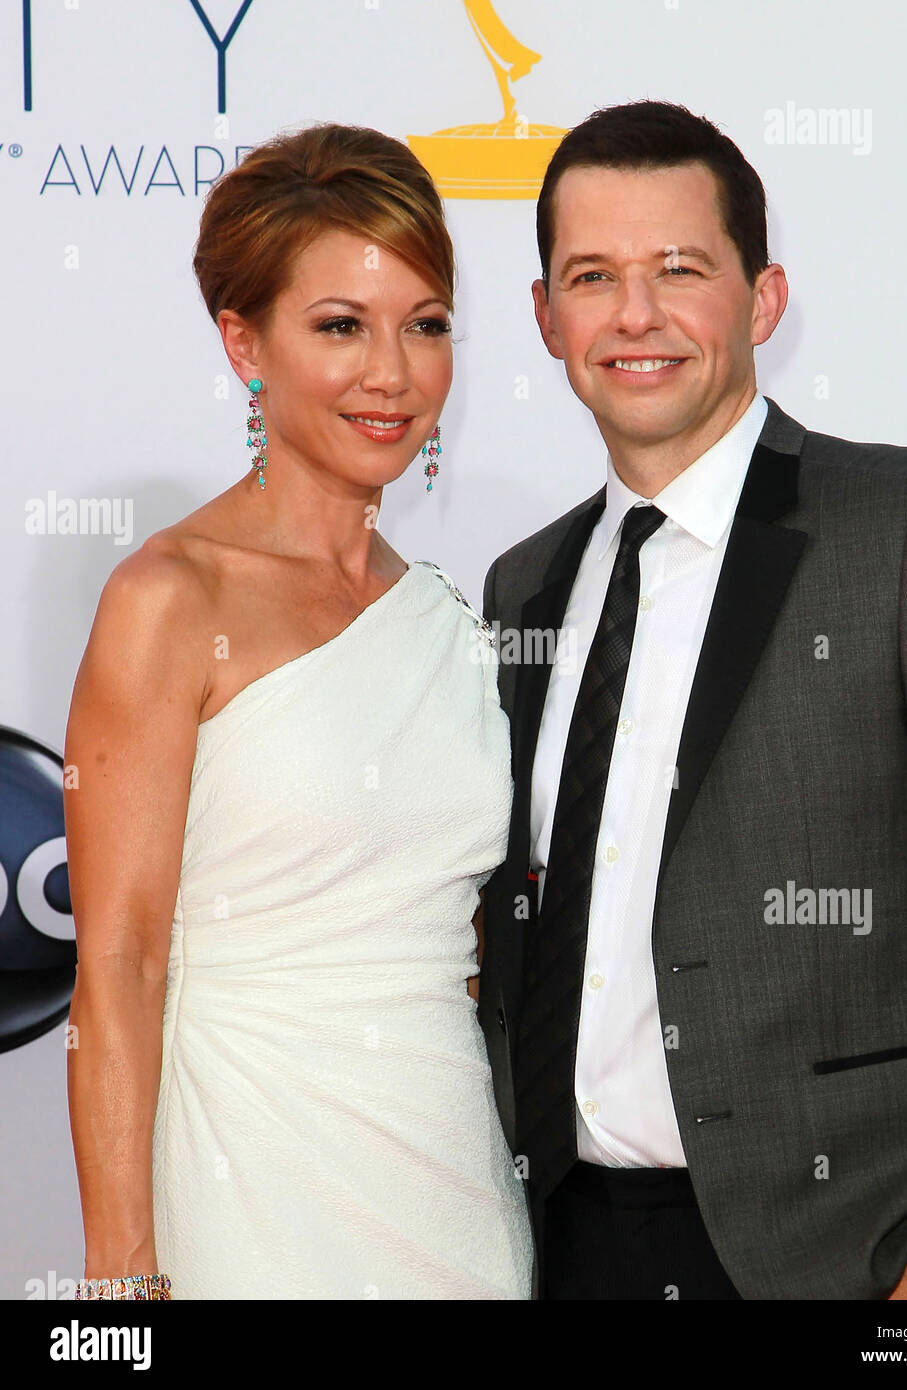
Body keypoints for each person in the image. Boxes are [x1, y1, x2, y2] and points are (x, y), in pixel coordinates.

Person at [477, 99, 907, 1300]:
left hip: (850, 1263)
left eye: (678, 269)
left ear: (762, 299)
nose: (634, 314)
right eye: (592, 276)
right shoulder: (521, 583)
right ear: (544, 318)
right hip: (562, 1250)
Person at [64, 122, 532, 1300]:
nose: (393, 373)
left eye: (424, 324)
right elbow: (118, 961)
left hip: (452, 1186)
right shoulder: (169, 599)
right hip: (247, 1179)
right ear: (244, 342)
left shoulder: (444, 619)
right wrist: (119, 1284)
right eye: (340, 326)